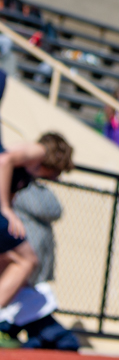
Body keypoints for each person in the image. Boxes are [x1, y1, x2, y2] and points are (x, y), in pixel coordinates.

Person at [0, 134, 74, 314]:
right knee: (27, 259)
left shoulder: (26, 173)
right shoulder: (39, 151)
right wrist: (6, 208)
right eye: (57, 172)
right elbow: (4, 160)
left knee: (11, 259)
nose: (55, 177)